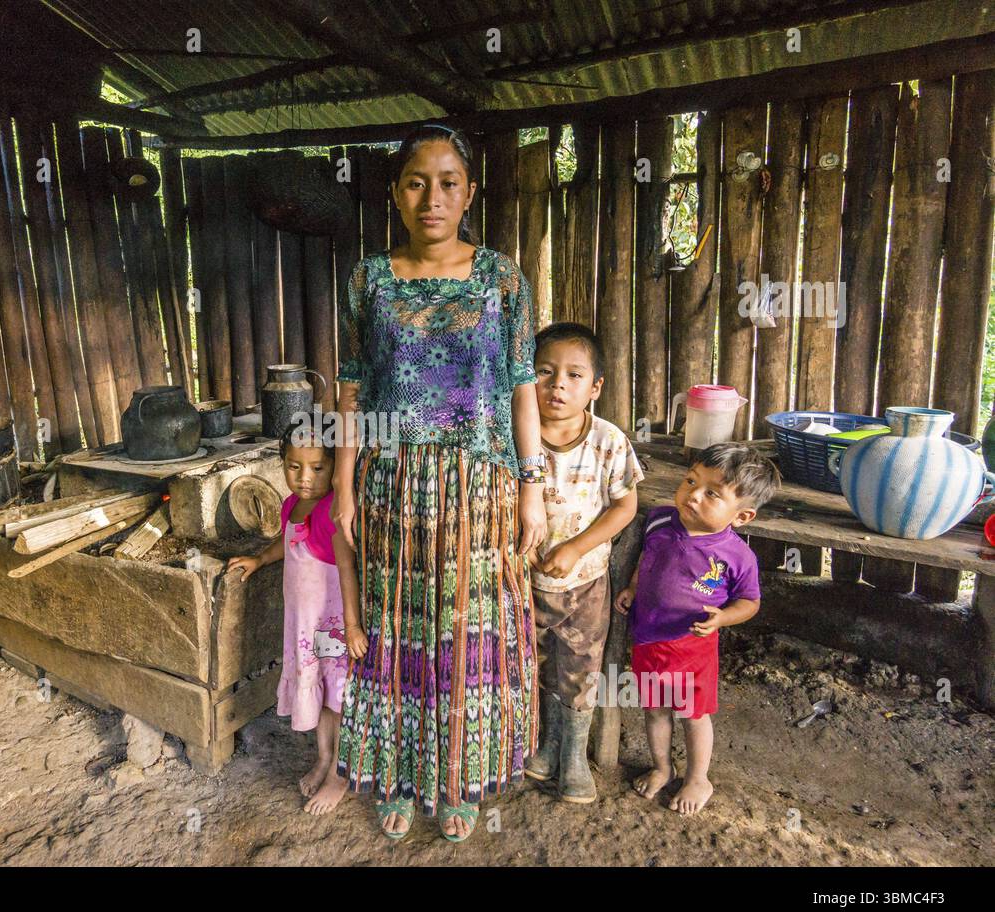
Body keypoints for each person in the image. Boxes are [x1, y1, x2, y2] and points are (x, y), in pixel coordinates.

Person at [331, 123, 548, 842]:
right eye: (417, 182)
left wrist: (532, 486)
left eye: (448, 182)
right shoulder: (369, 279)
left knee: (464, 635)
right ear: (395, 194)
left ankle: (455, 782)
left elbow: (521, 389)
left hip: (478, 484)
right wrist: (342, 481)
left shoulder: (501, 278)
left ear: (469, 193)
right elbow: (353, 388)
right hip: (393, 481)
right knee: (396, 632)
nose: (433, 197)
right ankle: (396, 776)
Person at [613, 443, 780, 815]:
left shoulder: (737, 556)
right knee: (654, 709)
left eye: (712, 494)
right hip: (647, 640)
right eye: (691, 481)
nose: (693, 494)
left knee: (692, 715)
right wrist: (633, 588)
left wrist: (722, 618)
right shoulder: (658, 520)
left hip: (691, 648)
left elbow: (749, 603)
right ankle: (661, 767)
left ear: (742, 516)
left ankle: (697, 778)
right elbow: (646, 558)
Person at [524, 322, 643, 803]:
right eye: (545, 372)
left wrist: (575, 547)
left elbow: (625, 506)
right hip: (520, 581)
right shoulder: (517, 434)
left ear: (594, 388)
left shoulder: (608, 441)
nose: (558, 385)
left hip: (585, 584)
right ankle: (546, 746)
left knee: (578, 669)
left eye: (574, 376)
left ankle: (573, 756)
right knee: (533, 665)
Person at [226, 424, 364, 815]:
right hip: (303, 627)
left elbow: (347, 570)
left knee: (336, 699)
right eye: (294, 467)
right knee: (320, 695)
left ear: (336, 467)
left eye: (318, 468)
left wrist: (352, 626)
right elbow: (287, 542)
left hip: (332, 626)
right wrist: (261, 559)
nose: (305, 478)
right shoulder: (291, 505)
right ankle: (323, 758)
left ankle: (341, 772)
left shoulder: (331, 512)